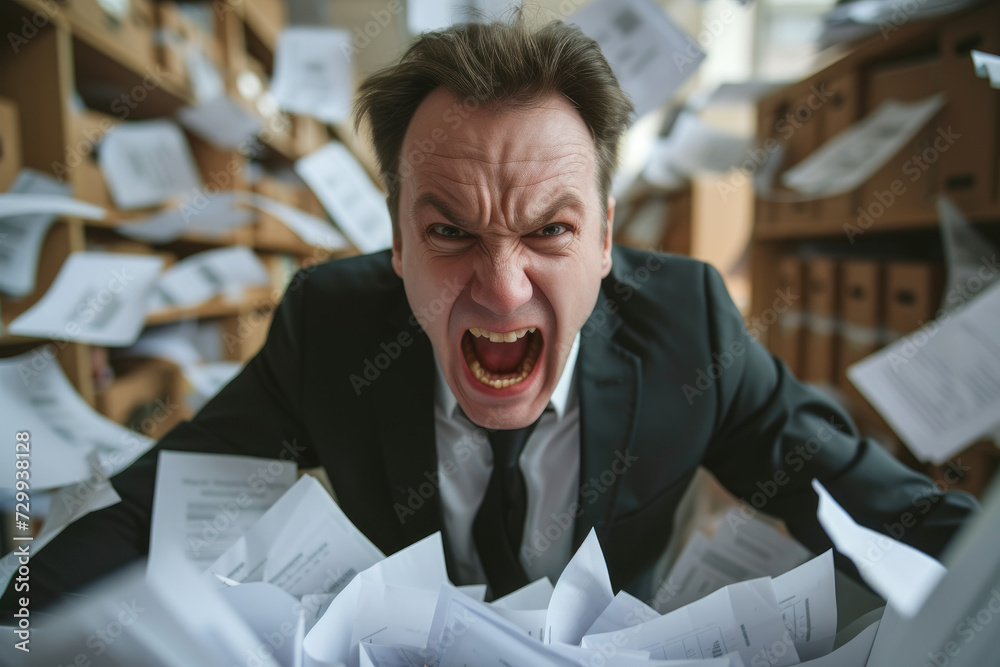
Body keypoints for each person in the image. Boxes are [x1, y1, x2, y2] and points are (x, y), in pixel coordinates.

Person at [2, 15, 977, 611]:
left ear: (605, 242)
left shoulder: (689, 324)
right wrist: (22, 617)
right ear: (394, 246)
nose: (503, 289)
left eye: (550, 231)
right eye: (450, 232)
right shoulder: (332, 325)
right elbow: (147, 515)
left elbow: (880, 507)